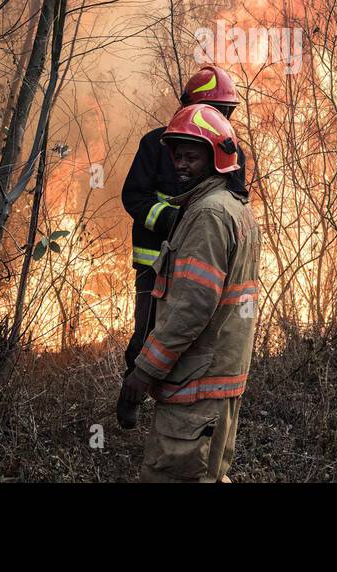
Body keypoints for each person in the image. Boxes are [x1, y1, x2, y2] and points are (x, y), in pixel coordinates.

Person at [121, 104, 260, 482]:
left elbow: (192, 307)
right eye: (177, 155)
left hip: (197, 383)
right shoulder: (229, 206)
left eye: (192, 156)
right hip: (214, 378)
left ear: (216, 158)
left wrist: (145, 369)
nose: (180, 164)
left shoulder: (208, 216)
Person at [117, 65, 246, 428]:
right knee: (147, 333)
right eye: (212, 109)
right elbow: (134, 196)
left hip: (202, 262)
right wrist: (175, 221)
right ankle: (132, 396)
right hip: (153, 261)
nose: (217, 119)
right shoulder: (157, 145)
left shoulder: (230, 152)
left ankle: (183, 409)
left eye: (224, 113)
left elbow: (235, 200)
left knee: (193, 331)